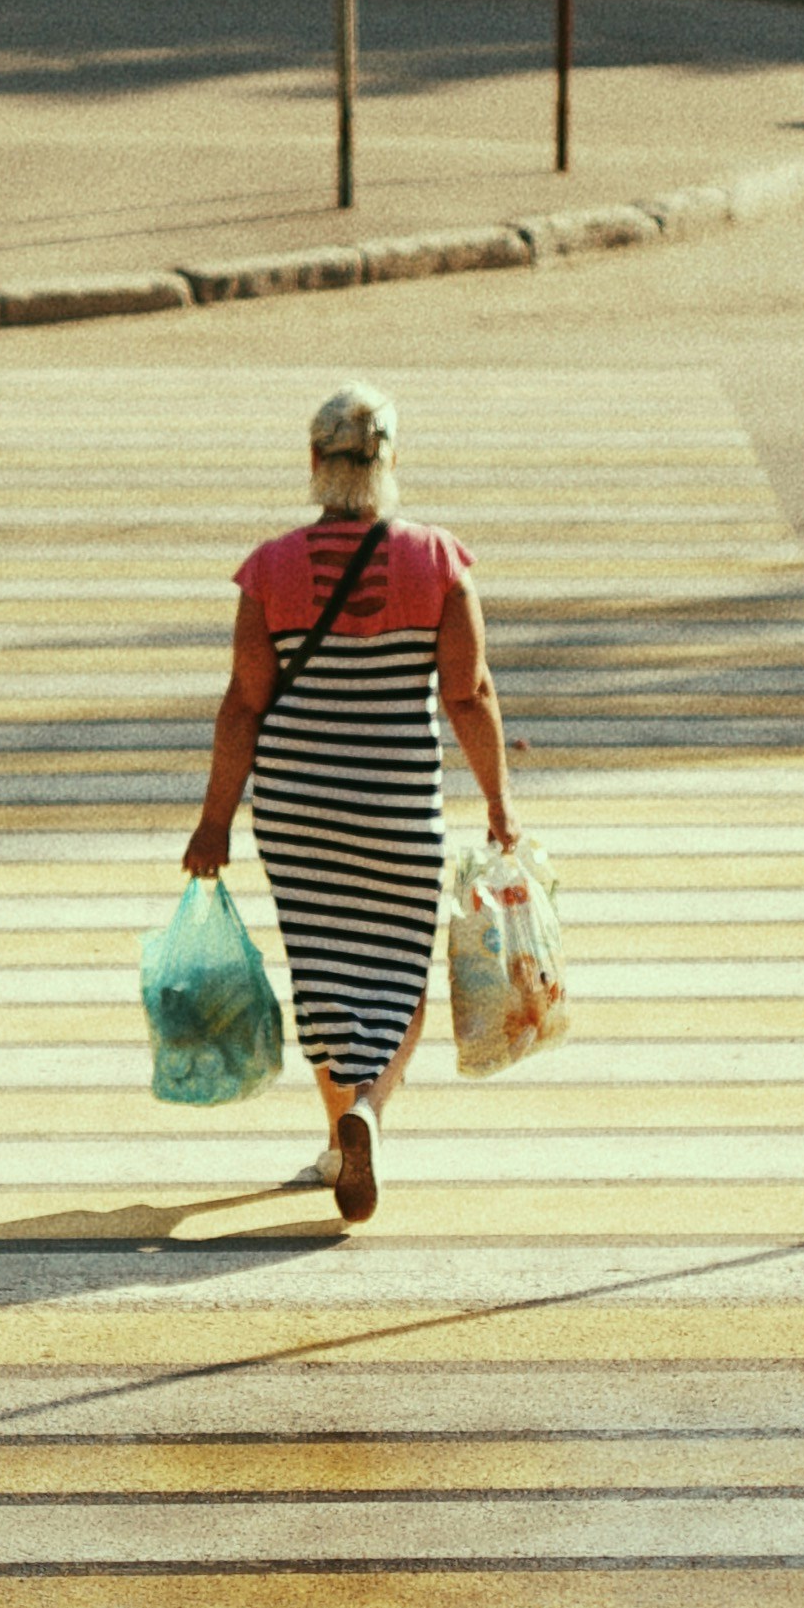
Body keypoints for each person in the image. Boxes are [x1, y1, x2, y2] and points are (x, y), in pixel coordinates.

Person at [182, 386, 517, 1227]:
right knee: (398, 975)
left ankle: (338, 1140)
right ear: (390, 460)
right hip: (394, 797)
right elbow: (467, 694)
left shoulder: (270, 570)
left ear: (312, 464)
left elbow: (242, 704)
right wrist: (498, 804)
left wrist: (214, 819)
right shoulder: (436, 562)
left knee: (325, 964)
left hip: (296, 805)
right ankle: (368, 1107)